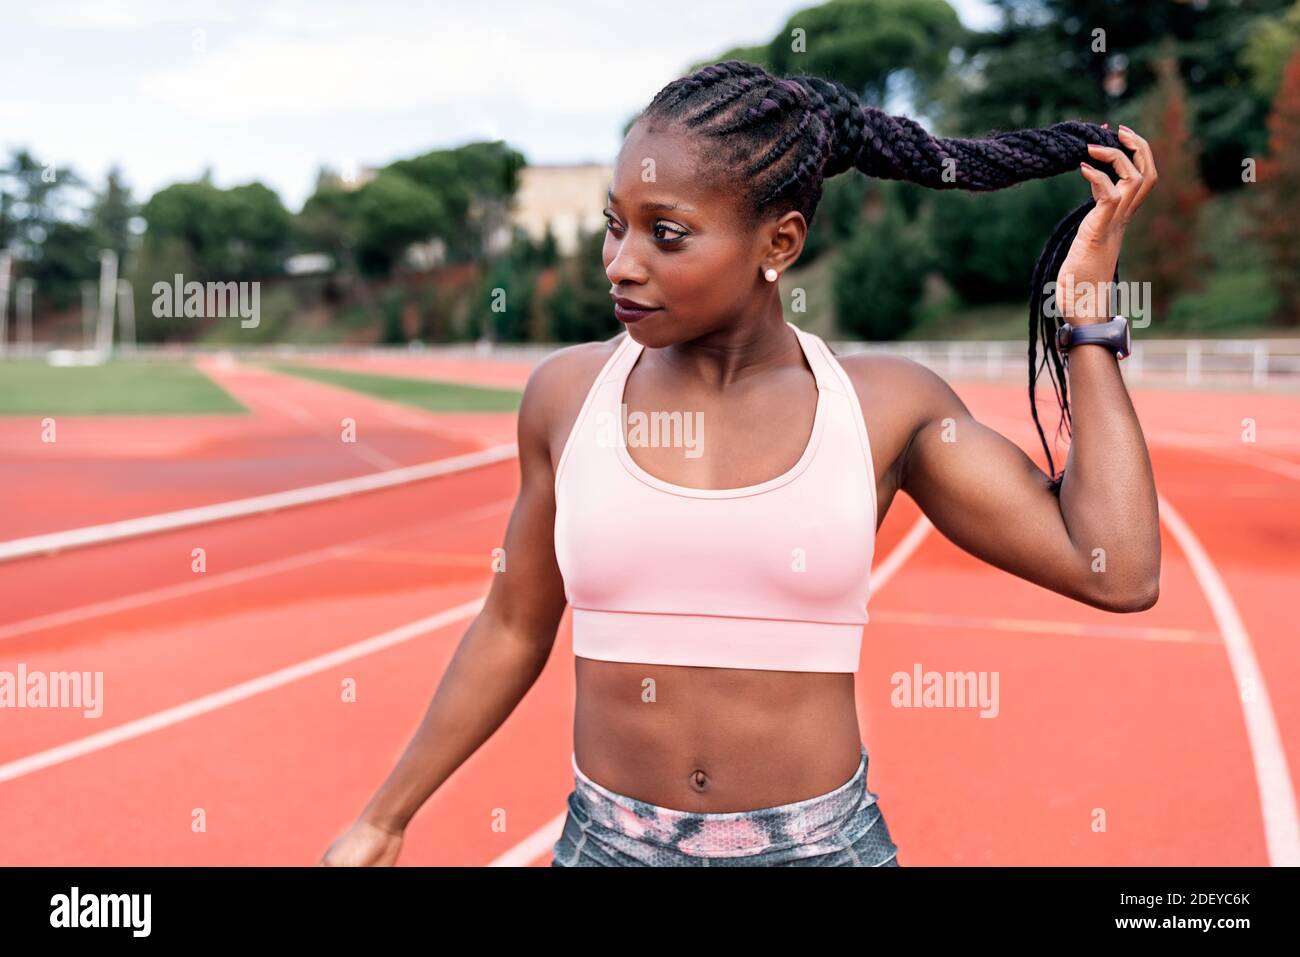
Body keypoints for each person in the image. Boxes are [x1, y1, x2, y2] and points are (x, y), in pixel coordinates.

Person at [320, 60, 1160, 868]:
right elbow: (511, 624)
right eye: (616, 223)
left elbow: (1116, 568)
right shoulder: (566, 395)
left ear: (780, 242)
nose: (622, 262)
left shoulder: (884, 407)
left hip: (821, 850)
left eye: (667, 233)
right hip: (605, 848)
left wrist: (1085, 316)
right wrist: (384, 817)